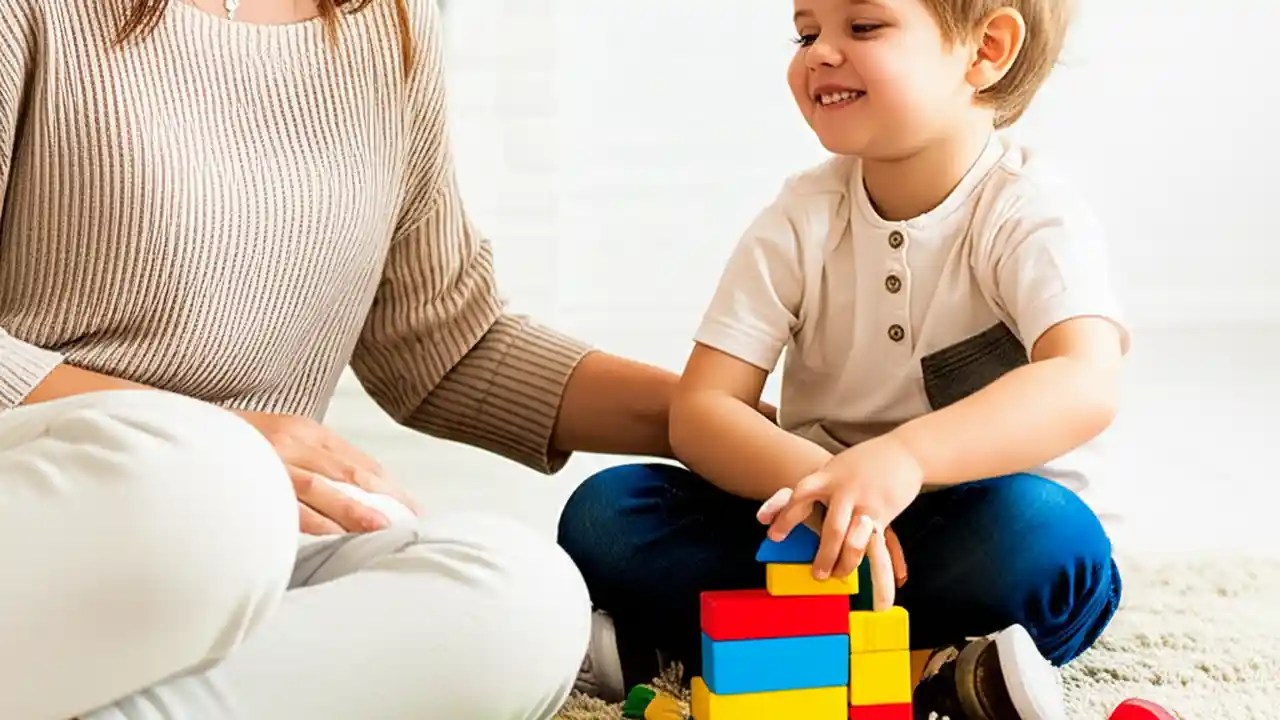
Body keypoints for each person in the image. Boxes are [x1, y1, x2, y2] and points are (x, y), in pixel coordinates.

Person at [0, 1, 686, 718]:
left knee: (527, 598)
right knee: (207, 491)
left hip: (256, 533)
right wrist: (226, 440)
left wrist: (732, 423)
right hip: (83, 502)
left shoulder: (386, 20)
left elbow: (446, 340)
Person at [559, 0, 1129, 717]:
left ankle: (744, 653)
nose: (820, 53)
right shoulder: (799, 219)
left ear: (986, 48)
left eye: (861, 27)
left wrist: (904, 461)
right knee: (606, 513)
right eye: (806, 33)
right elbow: (703, 410)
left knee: (1050, 537)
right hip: (812, 533)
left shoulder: (1032, 214)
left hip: (966, 527)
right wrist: (822, 485)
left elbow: (1085, 379)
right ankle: (921, 670)